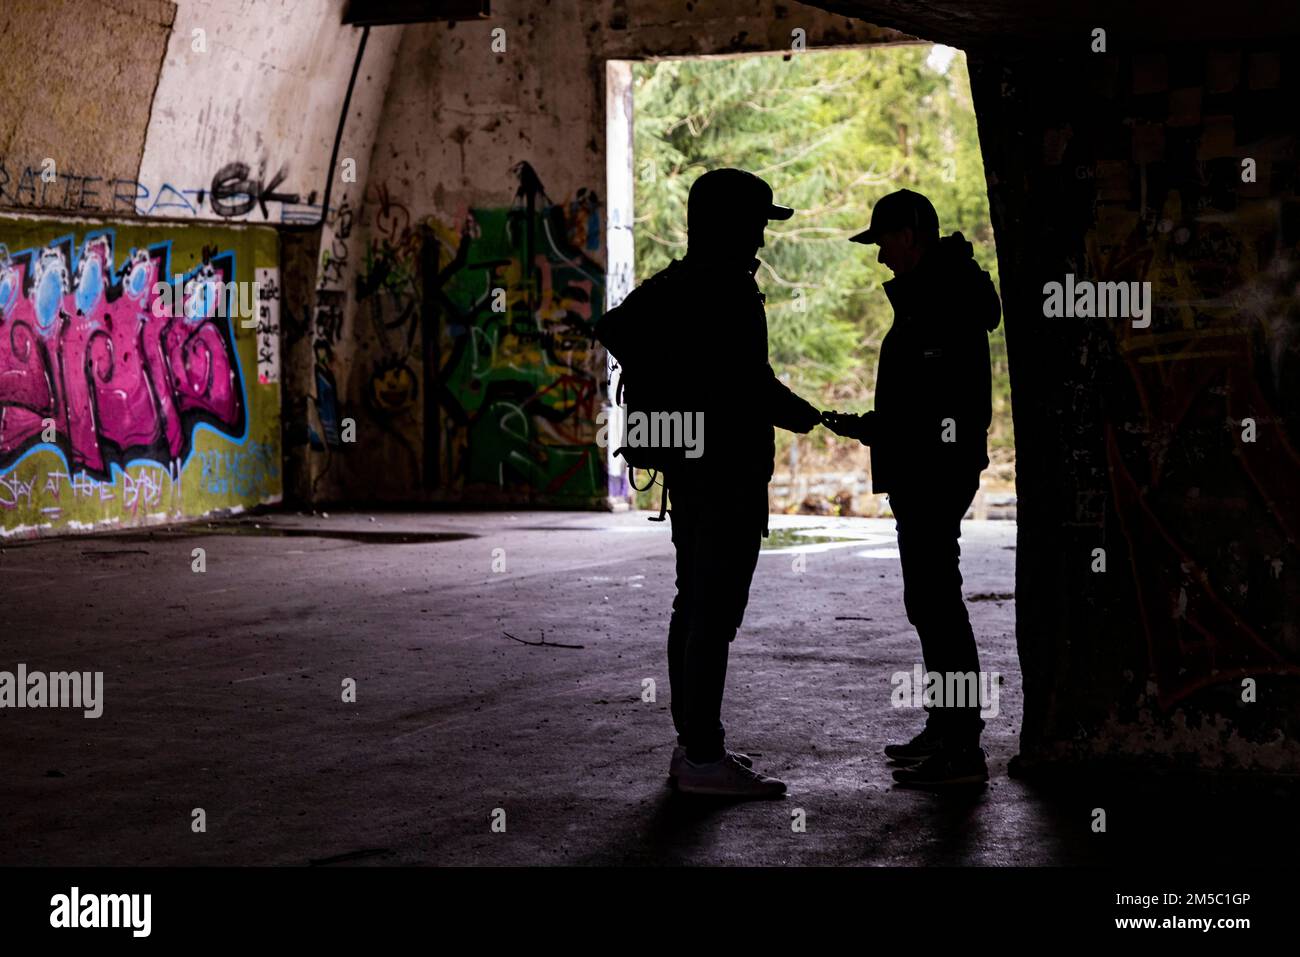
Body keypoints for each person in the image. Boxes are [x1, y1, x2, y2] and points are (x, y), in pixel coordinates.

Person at [595, 168, 821, 799]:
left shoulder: (677, 282)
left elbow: (613, 328)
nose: (761, 239)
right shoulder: (727, 288)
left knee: (690, 605)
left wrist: (682, 386)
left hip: (689, 472)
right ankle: (700, 757)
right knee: (713, 614)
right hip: (727, 474)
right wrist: (804, 414)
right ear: (730, 224)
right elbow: (748, 382)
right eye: (755, 224)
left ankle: (695, 746)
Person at [823, 188, 1002, 788]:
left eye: (883, 243)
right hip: (925, 467)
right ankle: (947, 728)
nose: (879, 257)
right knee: (930, 605)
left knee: (939, 607)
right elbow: (924, 404)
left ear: (910, 236)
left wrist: (876, 428)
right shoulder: (937, 293)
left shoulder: (942, 299)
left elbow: (936, 407)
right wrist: (875, 428)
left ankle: (962, 748)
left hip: (934, 472)